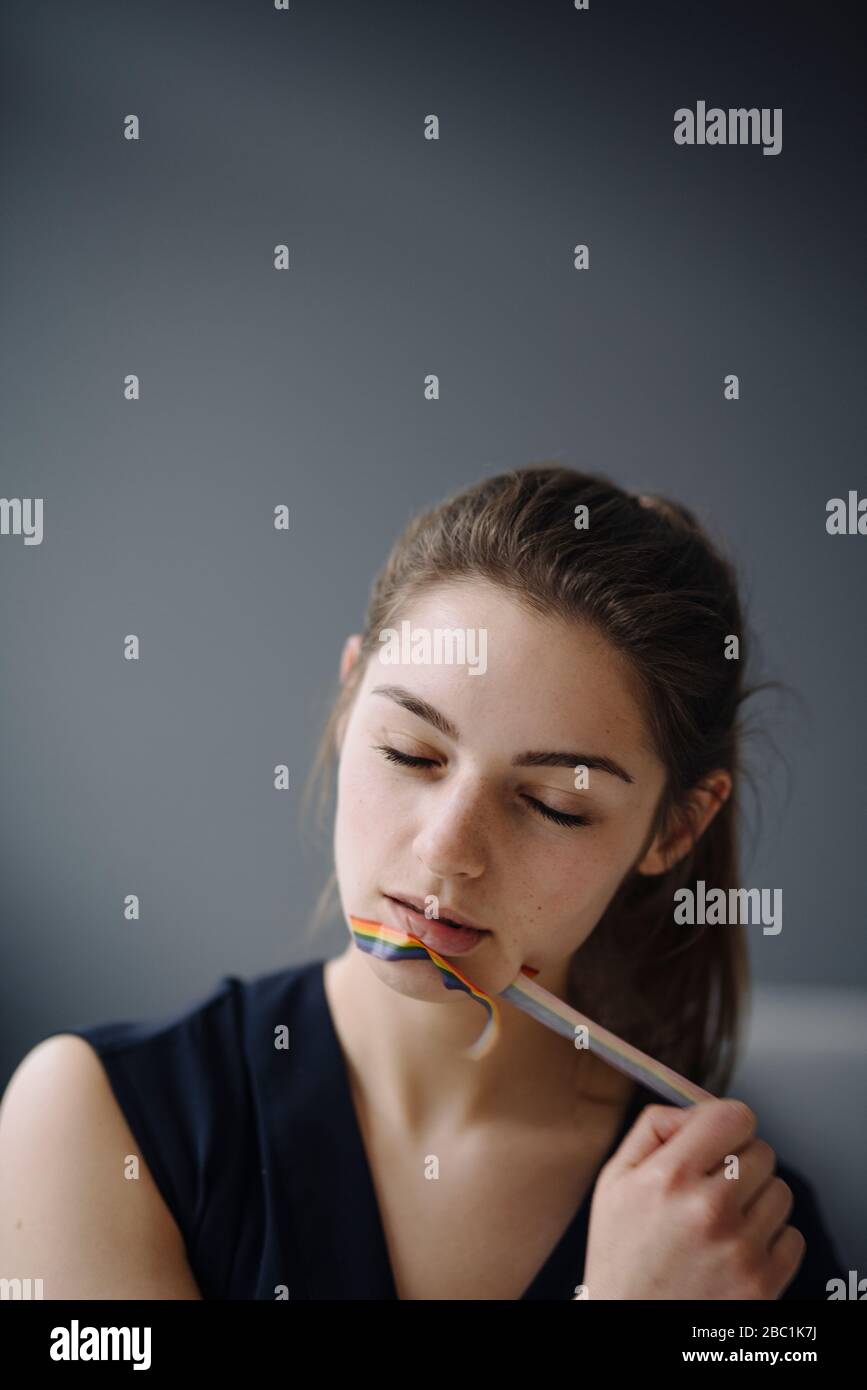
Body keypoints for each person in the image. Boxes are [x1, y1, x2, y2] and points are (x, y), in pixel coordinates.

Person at [0, 465, 847, 1299]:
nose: (446, 851)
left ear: (675, 829)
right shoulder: (95, 1117)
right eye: (411, 753)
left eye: (553, 804)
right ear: (346, 703)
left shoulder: (729, 1238)